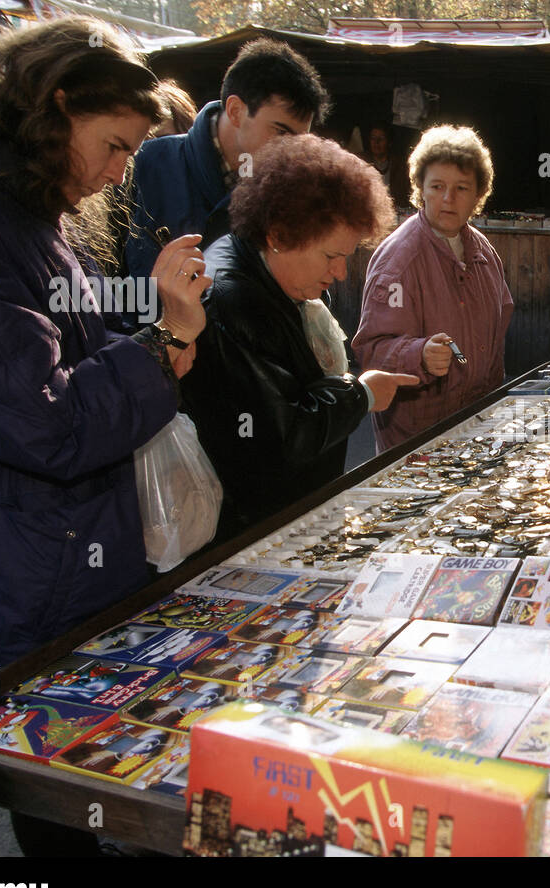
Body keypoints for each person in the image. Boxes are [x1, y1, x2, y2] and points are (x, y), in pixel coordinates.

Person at [0, 17, 210, 671]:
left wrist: (155, 334)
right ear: (57, 105)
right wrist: (159, 346)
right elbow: (44, 420)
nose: (118, 176)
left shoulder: (18, 199)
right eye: (113, 146)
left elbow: (71, 339)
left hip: (55, 564)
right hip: (16, 593)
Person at [179, 134, 418, 537]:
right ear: (278, 234)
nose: (340, 273)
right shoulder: (233, 302)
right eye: (331, 256)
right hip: (248, 529)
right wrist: (361, 395)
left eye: (347, 256)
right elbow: (279, 440)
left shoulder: (267, 269)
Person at [353, 124, 514, 452]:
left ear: (479, 194)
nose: (448, 199)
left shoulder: (485, 254)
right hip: (416, 442)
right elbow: (370, 353)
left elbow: (496, 344)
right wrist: (418, 355)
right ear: (420, 188)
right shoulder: (398, 260)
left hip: (476, 431)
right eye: (437, 186)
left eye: (461, 188)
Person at [120, 38, 329, 283]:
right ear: (235, 111)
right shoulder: (143, 166)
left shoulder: (290, 195)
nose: (290, 150)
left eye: (299, 139)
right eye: (281, 132)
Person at [360, 121, 409, 207]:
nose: (376, 142)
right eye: (373, 138)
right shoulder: (361, 161)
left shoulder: (400, 165)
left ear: (389, 142)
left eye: (381, 138)